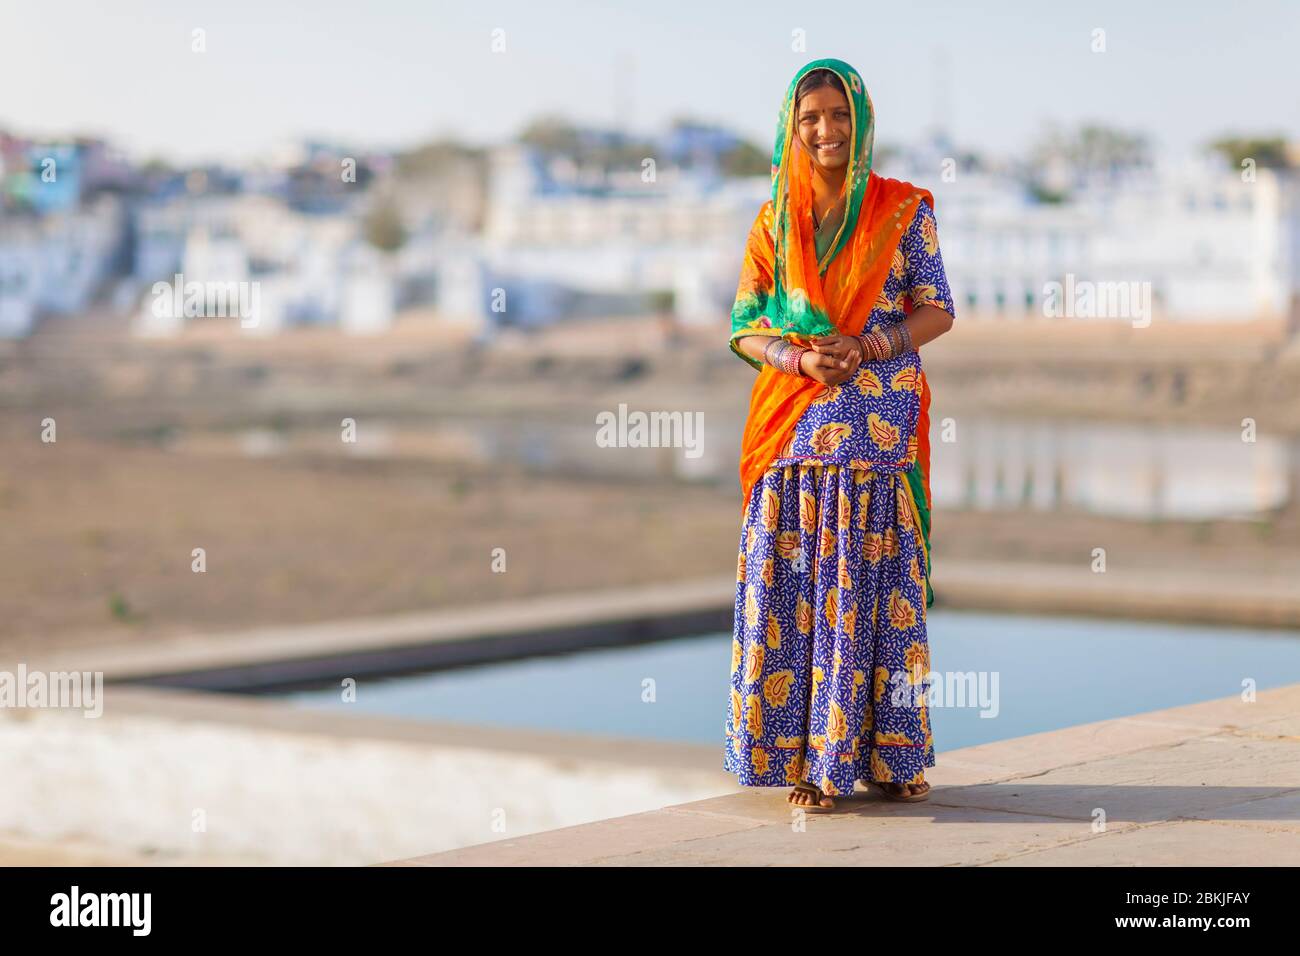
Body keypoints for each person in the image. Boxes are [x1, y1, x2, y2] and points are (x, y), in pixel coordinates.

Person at [723, 58, 956, 812]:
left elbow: (938, 309)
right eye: (811, 119)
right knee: (791, 596)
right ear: (793, 130)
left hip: (877, 440)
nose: (827, 131)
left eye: (839, 116)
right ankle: (804, 765)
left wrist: (869, 346)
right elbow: (744, 327)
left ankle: (892, 759)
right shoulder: (772, 219)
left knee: (876, 596)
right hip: (791, 440)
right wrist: (797, 356)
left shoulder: (902, 210)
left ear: (862, 122)